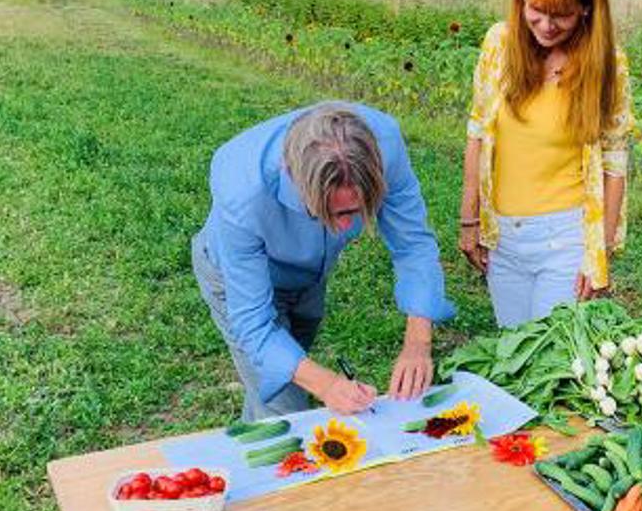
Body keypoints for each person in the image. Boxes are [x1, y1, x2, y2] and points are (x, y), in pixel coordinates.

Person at [192, 101, 455, 421]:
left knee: (278, 385)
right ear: (295, 181)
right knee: (286, 415)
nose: (345, 227)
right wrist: (329, 385)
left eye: (356, 211)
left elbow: (413, 244)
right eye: (332, 213)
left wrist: (418, 342)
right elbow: (255, 324)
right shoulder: (243, 190)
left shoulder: (386, 144)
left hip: (308, 277)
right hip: (234, 278)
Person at [458, 0, 634, 328]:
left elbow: (614, 160)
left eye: (563, 15)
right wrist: (469, 218)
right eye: (536, 10)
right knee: (515, 352)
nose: (546, 25)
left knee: (550, 359)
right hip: (501, 236)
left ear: (587, 8)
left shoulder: (608, 65)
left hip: (566, 239)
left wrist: (598, 253)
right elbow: (478, 132)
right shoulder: (498, 45)